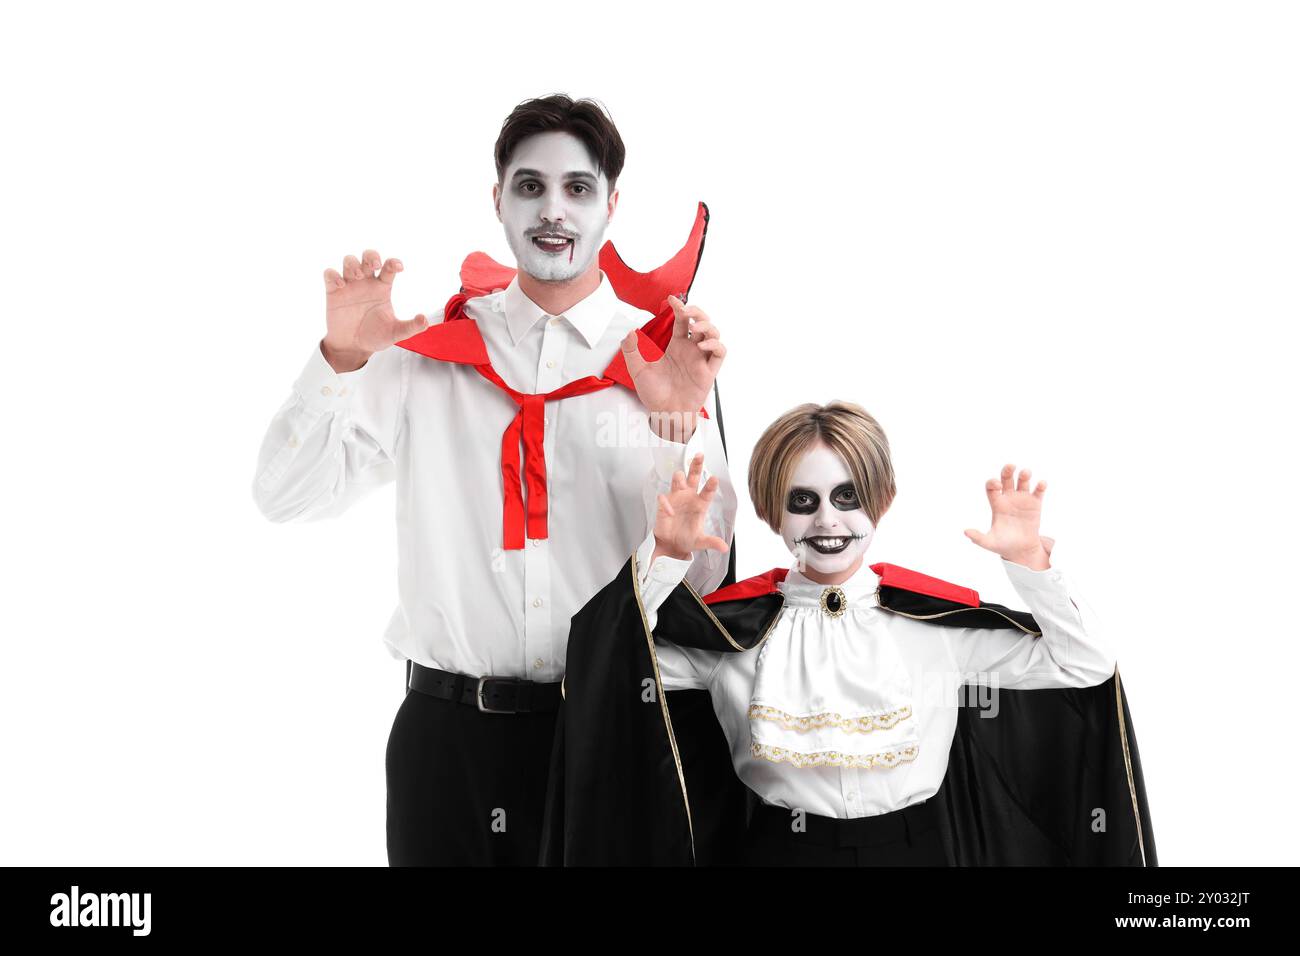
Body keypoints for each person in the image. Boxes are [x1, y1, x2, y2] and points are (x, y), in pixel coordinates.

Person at [251, 94, 738, 866]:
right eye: (530, 185)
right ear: (498, 200)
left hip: (606, 730)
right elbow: (284, 496)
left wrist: (675, 429)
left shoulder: (660, 362)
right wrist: (340, 362)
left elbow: (703, 583)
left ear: (611, 206)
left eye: (578, 188)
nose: (553, 210)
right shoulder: (426, 356)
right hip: (447, 742)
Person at [542, 401, 1156, 866]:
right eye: (802, 501)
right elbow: (610, 667)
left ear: (881, 501)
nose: (827, 520)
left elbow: (1085, 664)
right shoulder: (730, 631)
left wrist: (1030, 565)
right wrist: (665, 558)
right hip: (778, 852)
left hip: (917, 850)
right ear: (771, 511)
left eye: (847, 496)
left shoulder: (933, 625)